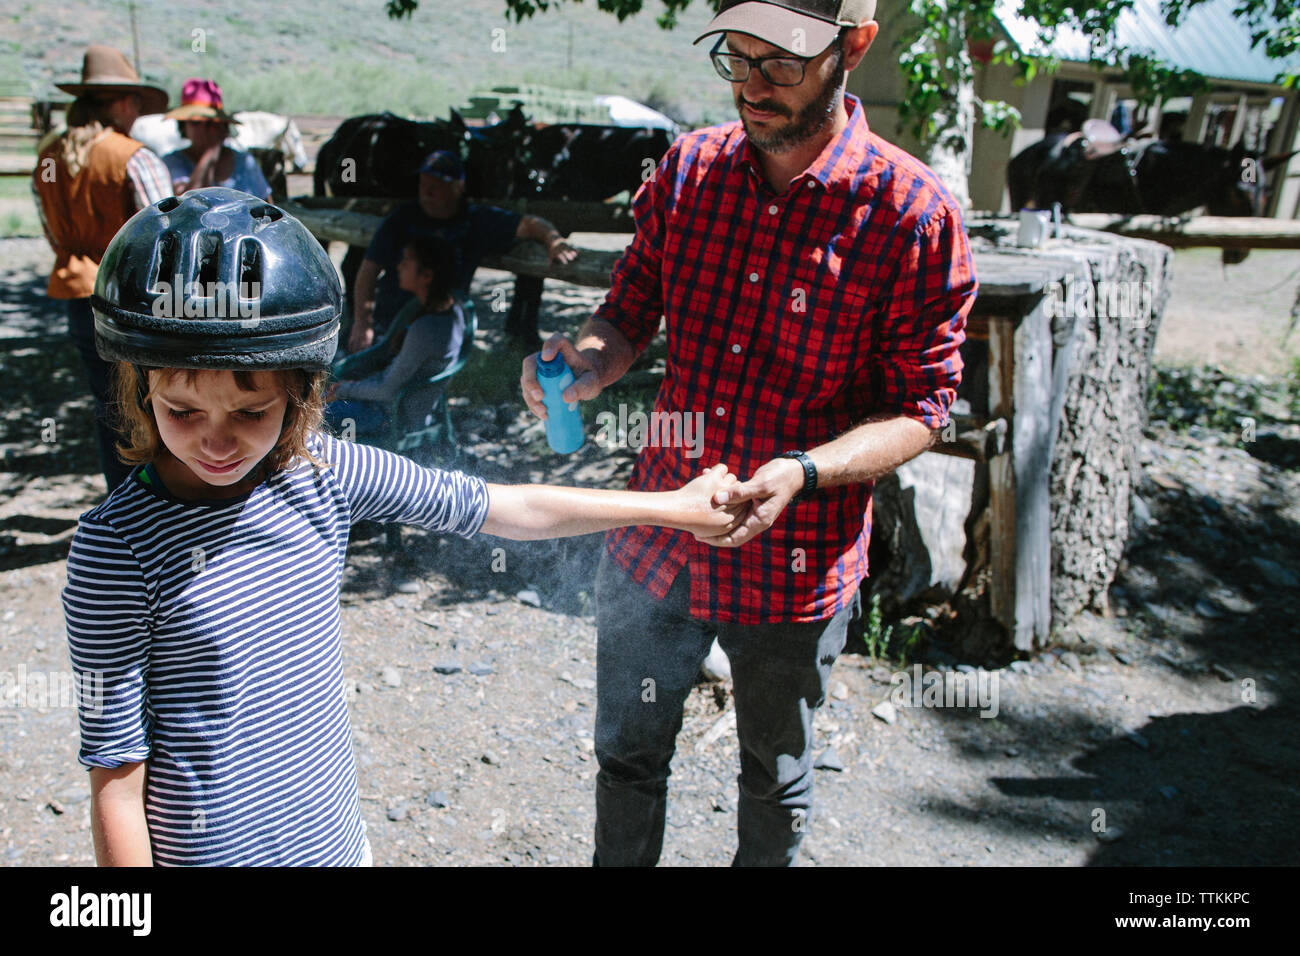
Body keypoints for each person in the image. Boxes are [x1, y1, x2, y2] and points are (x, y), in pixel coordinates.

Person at [62, 187, 745, 866]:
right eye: (183, 412)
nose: (216, 442)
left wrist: (671, 507)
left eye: (250, 413)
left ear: (300, 394)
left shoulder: (323, 474)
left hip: (333, 849)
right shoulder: (113, 550)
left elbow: (504, 506)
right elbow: (117, 781)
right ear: (140, 386)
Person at [520, 0, 977, 866]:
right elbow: (627, 315)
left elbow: (921, 409)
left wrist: (803, 471)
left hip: (796, 558)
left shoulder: (911, 214)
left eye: (782, 65)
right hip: (657, 536)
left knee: (774, 779)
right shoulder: (690, 169)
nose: (752, 87)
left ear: (855, 47)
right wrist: (583, 361)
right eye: (736, 57)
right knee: (626, 758)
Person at [31, 44, 172, 493]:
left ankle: (122, 506)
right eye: (134, 103)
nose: (136, 112)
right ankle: (164, 508)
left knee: (110, 407)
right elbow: (166, 239)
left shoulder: (49, 156)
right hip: (136, 302)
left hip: (77, 294)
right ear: (119, 102)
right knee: (160, 406)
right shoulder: (134, 157)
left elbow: (53, 234)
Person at [348, 149, 578, 353]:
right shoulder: (401, 219)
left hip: (440, 326)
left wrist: (554, 241)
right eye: (423, 184)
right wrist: (362, 323)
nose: (426, 193)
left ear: (458, 187)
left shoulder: (476, 220)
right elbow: (369, 269)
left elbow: (530, 224)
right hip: (389, 322)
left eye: (435, 187)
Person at [324, 237, 466, 438]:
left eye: (406, 262)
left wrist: (342, 390)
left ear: (426, 275)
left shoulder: (426, 329)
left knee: (312, 417)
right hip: (397, 402)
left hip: (394, 414)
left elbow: (386, 390)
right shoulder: (452, 311)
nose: (399, 266)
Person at [160, 78, 271, 201]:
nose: (202, 130)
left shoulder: (245, 162)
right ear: (184, 126)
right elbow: (186, 203)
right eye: (195, 124)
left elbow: (267, 206)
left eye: (209, 124)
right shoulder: (173, 161)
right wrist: (210, 154)